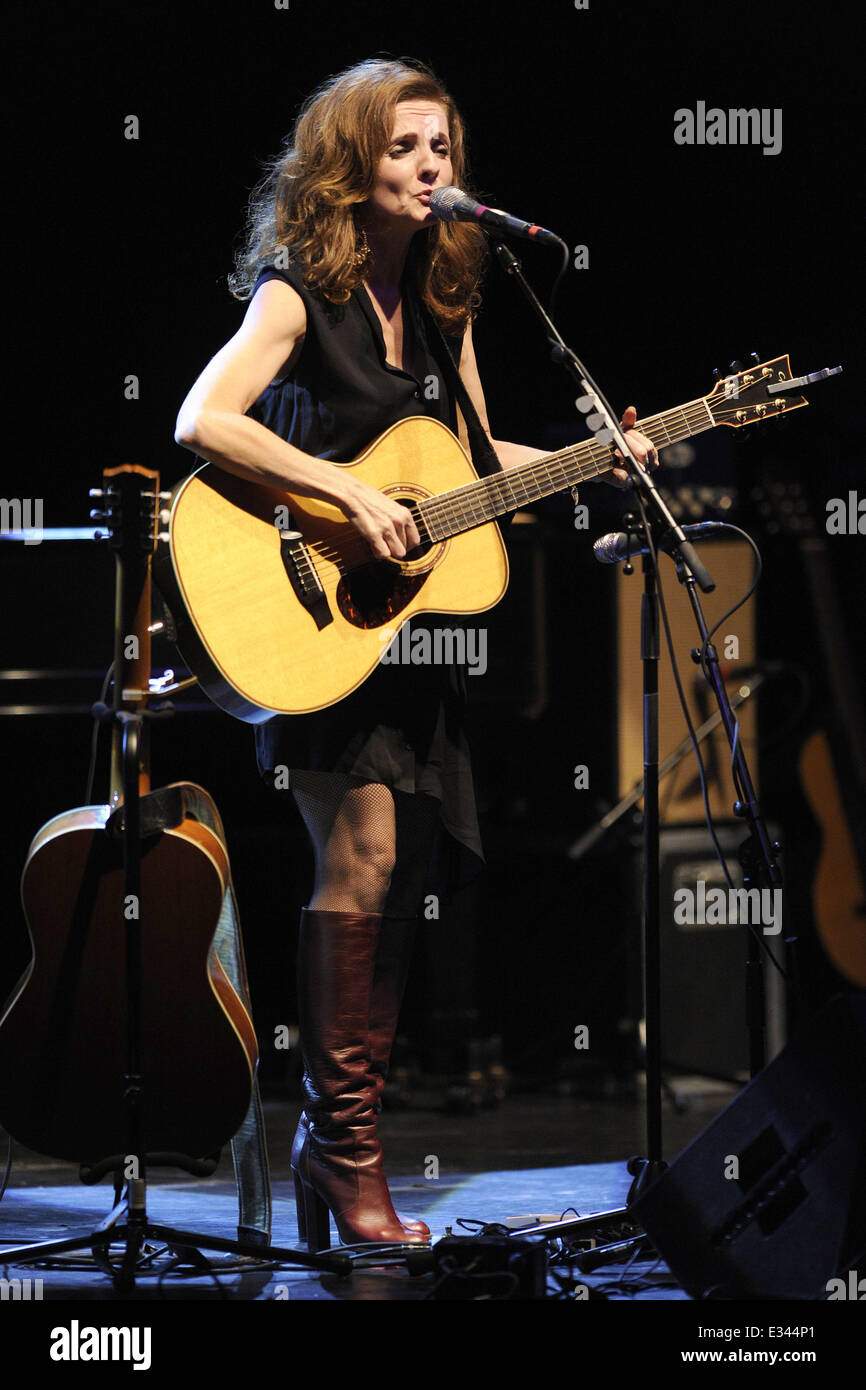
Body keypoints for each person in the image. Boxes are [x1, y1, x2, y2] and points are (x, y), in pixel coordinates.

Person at [174, 56, 657, 1251]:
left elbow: (482, 465)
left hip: (397, 641)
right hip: (307, 614)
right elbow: (201, 418)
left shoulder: (450, 306)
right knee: (370, 855)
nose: (430, 168)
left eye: (442, 148)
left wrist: (602, 456)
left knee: (395, 879)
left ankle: (334, 1152)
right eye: (403, 148)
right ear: (349, 163)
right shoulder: (300, 293)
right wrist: (345, 489)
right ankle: (345, 1155)